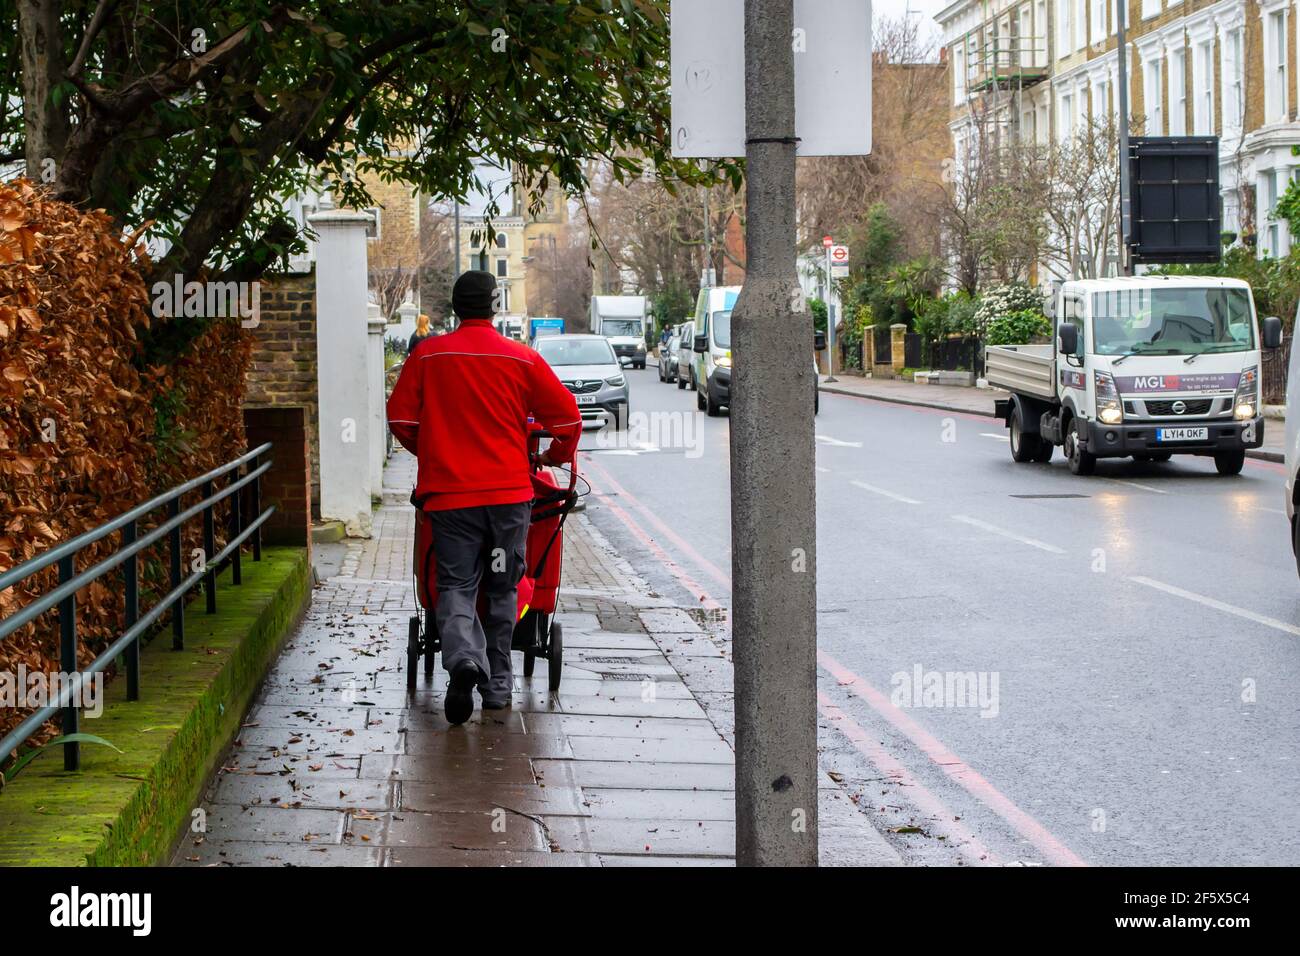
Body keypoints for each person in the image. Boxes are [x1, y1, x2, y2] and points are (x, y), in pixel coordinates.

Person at [386, 271, 581, 724]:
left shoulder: (428, 356)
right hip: (509, 499)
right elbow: (568, 418)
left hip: (451, 499)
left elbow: (401, 419)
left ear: (454, 308)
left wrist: (431, 451)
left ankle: (462, 662)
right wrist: (554, 454)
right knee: (501, 584)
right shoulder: (523, 359)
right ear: (494, 307)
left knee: (455, 584)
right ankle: (496, 688)